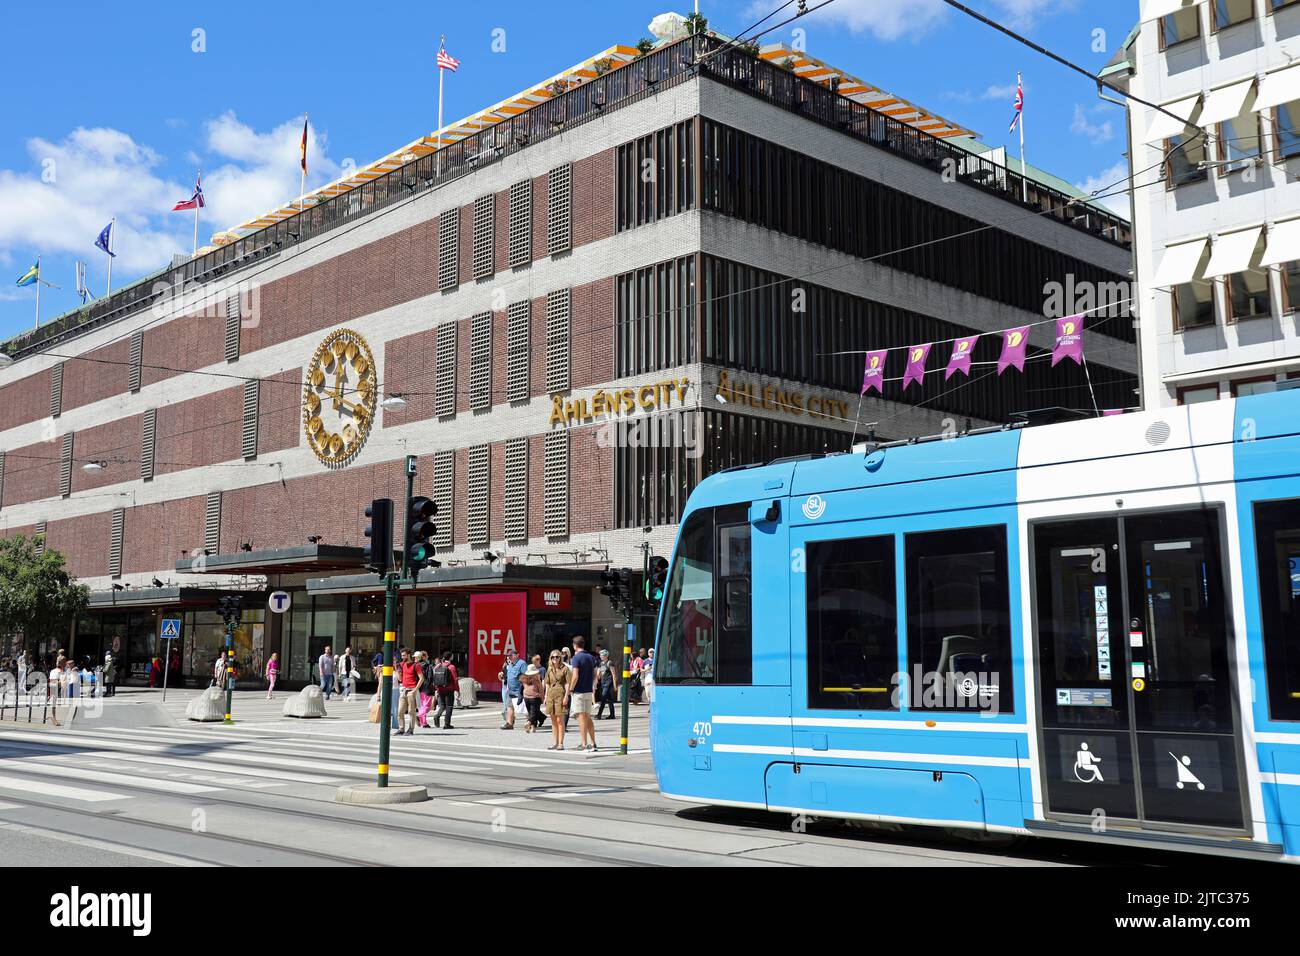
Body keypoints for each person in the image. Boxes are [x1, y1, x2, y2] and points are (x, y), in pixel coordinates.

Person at [567, 636, 598, 752]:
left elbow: (575, 676)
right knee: (588, 717)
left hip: (579, 692)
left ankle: (584, 744)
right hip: (588, 691)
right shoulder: (591, 657)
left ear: (575, 645)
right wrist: (591, 683)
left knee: (581, 718)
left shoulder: (576, 658)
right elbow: (596, 674)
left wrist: (571, 689)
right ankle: (593, 743)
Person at [543, 651, 569, 751]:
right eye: (553, 657)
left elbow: (567, 684)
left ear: (560, 658)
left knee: (560, 720)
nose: (555, 659)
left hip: (560, 694)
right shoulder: (549, 669)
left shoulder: (565, 669)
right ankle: (555, 742)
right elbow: (547, 683)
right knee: (553, 720)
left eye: (557, 657)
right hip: (551, 695)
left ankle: (561, 743)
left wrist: (566, 696)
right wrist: (545, 696)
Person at [498, 648, 527, 730]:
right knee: (510, 707)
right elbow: (507, 676)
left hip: (519, 691)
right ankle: (509, 723)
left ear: (517, 655)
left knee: (524, 708)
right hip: (511, 691)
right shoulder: (510, 665)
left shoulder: (522, 663)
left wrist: (524, 687)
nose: (509, 657)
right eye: (508, 656)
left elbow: (526, 676)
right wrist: (502, 676)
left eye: (511, 655)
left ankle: (531, 722)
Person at [394, 647, 421, 735]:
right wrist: (396, 669)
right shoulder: (402, 664)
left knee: (411, 711)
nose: (402, 657)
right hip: (403, 690)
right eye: (401, 655)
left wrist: (415, 690)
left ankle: (410, 729)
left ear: (409, 655)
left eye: (404, 655)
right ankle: (401, 729)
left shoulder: (416, 665)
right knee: (400, 711)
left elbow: (422, 678)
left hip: (411, 690)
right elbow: (400, 679)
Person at [430, 652, 458, 729]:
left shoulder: (439, 666)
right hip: (449, 689)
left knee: (442, 705)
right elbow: (455, 679)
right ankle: (447, 724)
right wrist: (457, 689)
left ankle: (437, 716)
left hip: (440, 688)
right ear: (451, 657)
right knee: (449, 706)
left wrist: (436, 688)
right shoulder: (451, 667)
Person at [521, 661, 544, 732]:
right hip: (535, 698)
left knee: (531, 712)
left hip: (526, 698)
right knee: (533, 713)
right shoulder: (537, 680)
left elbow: (523, 688)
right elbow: (541, 690)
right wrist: (543, 699)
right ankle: (528, 722)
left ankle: (533, 728)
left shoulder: (523, 679)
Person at [595, 649, 617, 720]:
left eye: (601, 655)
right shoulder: (601, 663)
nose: (600, 656)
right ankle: (612, 714)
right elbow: (599, 673)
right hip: (603, 682)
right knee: (609, 699)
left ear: (605, 656)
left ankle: (599, 714)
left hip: (608, 682)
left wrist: (615, 685)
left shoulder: (609, 663)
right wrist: (597, 676)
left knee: (603, 697)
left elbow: (614, 674)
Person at [415, 651, 434, 729]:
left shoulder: (416, 665)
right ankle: (419, 715)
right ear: (423, 657)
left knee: (422, 705)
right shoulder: (428, 666)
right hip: (426, 687)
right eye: (426, 655)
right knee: (427, 706)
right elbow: (430, 677)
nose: (428, 657)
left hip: (419, 687)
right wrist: (430, 686)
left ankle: (424, 723)